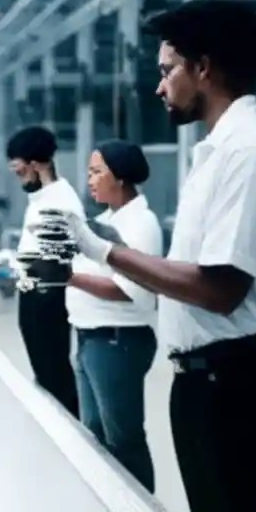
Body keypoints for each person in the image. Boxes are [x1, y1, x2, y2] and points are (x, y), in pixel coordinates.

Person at [40, 0, 256, 512]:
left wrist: (102, 249)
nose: (159, 84)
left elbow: (220, 288)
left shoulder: (252, 151)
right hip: (210, 381)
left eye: (168, 69)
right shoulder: (218, 152)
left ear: (204, 67)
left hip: (244, 383)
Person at [66, 140, 163, 493]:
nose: (90, 180)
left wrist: (68, 277)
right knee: (95, 436)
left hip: (117, 341)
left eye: (96, 172)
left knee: (124, 438)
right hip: (90, 338)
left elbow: (130, 290)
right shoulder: (105, 221)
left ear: (119, 177)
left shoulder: (141, 224)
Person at [6, 126, 84, 419]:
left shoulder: (58, 201)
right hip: (36, 295)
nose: (20, 179)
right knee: (47, 373)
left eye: (21, 171)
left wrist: (20, 266)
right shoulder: (41, 198)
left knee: (54, 375)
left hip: (48, 298)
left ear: (37, 164)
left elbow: (58, 261)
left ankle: (71, 432)